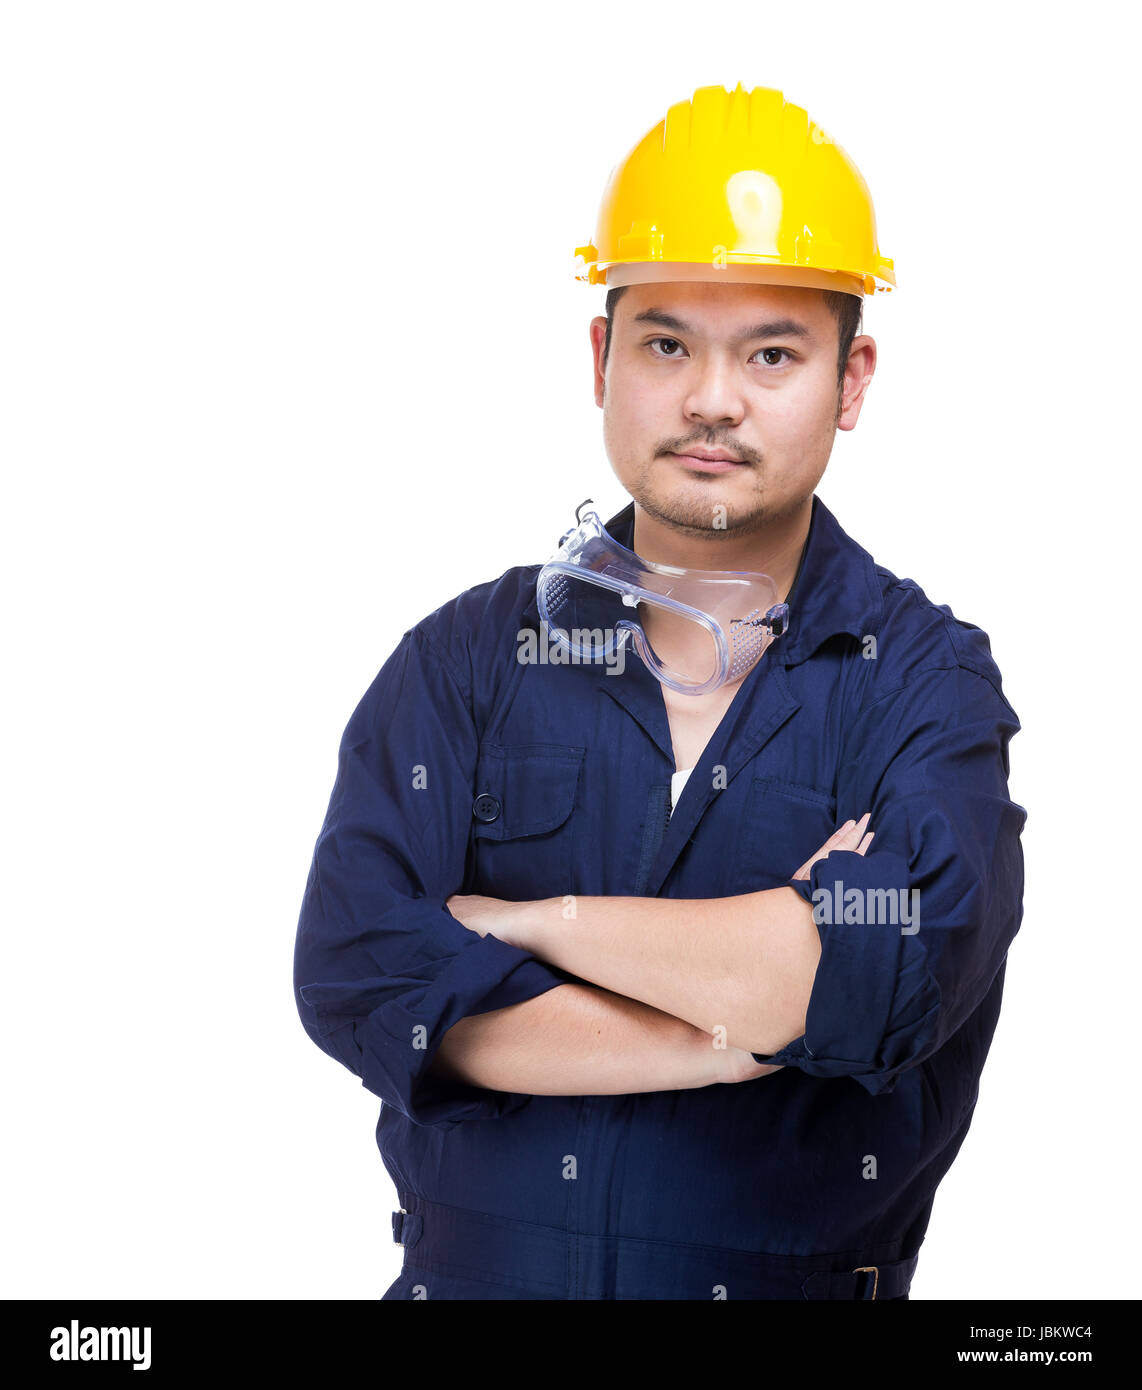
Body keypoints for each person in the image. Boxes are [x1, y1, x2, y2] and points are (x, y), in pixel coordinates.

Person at [293, 82, 1026, 1301]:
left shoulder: (921, 685)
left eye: (773, 352)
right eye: (666, 341)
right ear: (602, 358)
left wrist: (527, 922)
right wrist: (720, 1026)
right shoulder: (465, 663)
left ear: (850, 382)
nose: (710, 400)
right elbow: (363, 970)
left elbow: (887, 972)